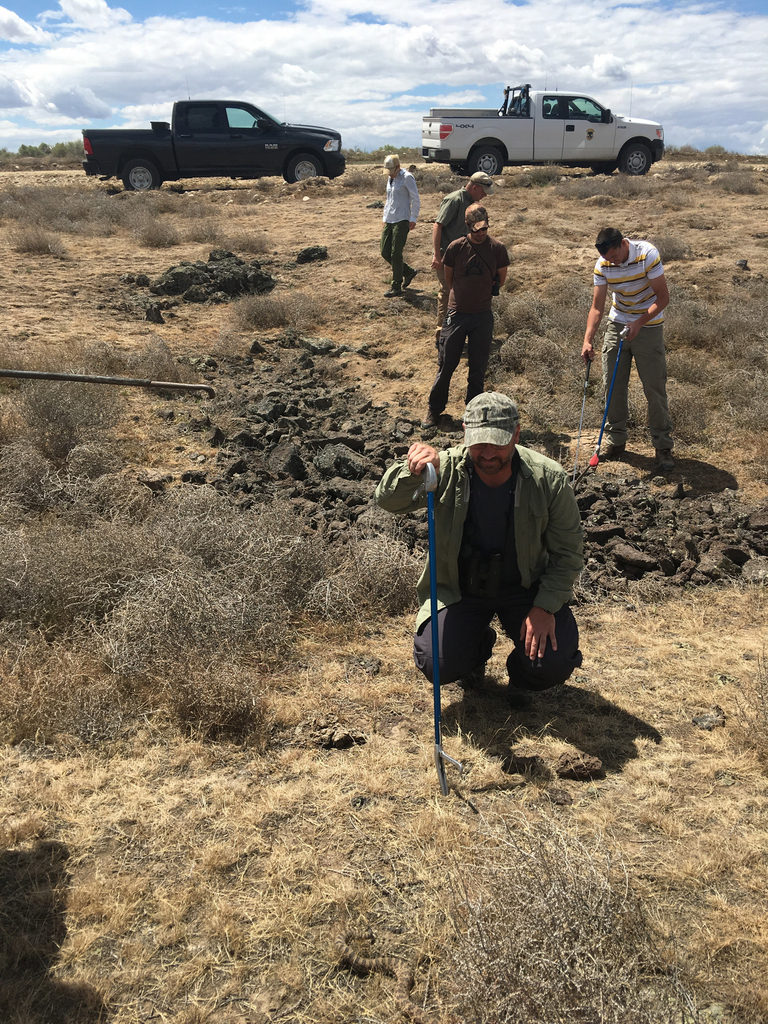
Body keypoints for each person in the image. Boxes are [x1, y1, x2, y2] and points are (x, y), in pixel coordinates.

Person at [375, 391, 584, 709]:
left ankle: (522, 679)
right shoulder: (442, 470)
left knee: (552, 661)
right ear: (463, 432)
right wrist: (412, 469)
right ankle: (476, 648)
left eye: (498, 442)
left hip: (525, 591)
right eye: (478, 442)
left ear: (516, 433)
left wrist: (544, 608)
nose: (487, 454)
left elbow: (568, 554)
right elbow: (388, 501)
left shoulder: (548, 479)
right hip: (461, 591)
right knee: (437, 662)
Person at [581, 226, 675, 471]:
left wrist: (639, 322)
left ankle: (663, 446)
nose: (611, 262)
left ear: (623, 243)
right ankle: (616, 440)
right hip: (618, 323)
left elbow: (663, 297)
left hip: (649, 325)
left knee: (654, 386)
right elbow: (597, 307)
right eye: (607, 259)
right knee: (612, 382)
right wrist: (588, 339)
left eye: (614, 256)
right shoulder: (602, 265)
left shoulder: (647, 254)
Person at [422, 204, 509, 428]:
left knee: (478, 368)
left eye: (485, 228)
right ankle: (434, 410)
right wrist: (460, 299)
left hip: (482, 315)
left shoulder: (498, 249)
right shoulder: (455, 247)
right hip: (457, 314)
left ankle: (473, 414)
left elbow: (502, 277)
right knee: (446, 364)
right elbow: (449, 279)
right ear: (468, 226)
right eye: (476, 229)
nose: (481, 233)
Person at [432, 171, 495, 343]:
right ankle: (442, 335)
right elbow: (437, 226)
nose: (483, 196)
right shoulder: (454, 200)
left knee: (462, 293)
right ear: (475, 187)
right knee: (447, 293)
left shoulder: (472, 205)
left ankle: (457, 333)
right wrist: (437, 255)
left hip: (463, 258)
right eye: (482, 192)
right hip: (447, 257)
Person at [380, 154, 420, 298]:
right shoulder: (390, 179)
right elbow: (388, 199)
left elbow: (416, 199)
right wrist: (385, 217)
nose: (389, 174)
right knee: (385, 251)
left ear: (398, 167)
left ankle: (396, 285)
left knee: (396, 253)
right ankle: (408, 272)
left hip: (402, 219)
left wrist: (413, 217)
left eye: (392, 170)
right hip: (390, 219)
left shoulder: (407, 177)